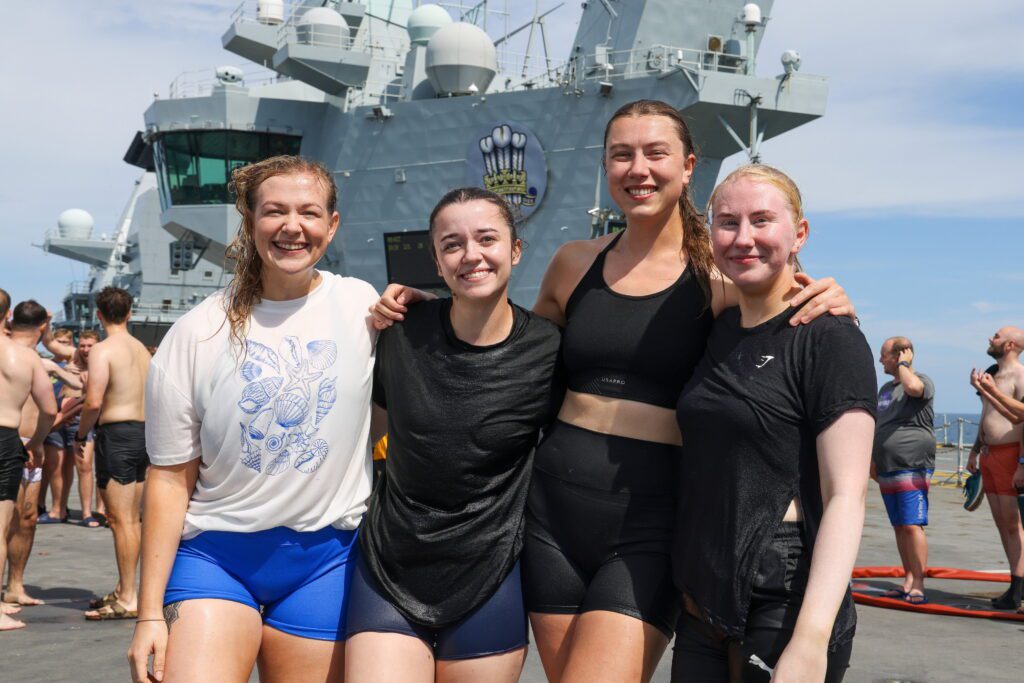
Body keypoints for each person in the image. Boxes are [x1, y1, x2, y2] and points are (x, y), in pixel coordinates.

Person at [371, 99, 855, 681]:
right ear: (605, 167)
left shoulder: (721, 280)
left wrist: (833, 298)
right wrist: (431, 313)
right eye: (621, 155)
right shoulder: (573, 264)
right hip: (550, 515)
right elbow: (509, 338)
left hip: (650, 523)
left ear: (688, 166)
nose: (638, 169)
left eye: (656, 153)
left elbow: (785, 315)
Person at [128, 156, 378, 683]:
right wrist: (149, 613)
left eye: (309, 212)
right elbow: (171, 479)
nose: (292, 226)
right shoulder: (196, 333)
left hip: (327, 560)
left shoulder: (363, 306)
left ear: (331, 226)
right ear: (249, 222)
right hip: (217, 558)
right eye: (274, 212)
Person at [345, 188, 562, 682]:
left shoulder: (550, 351)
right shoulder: (400, 333)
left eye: (487, 238)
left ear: (516, 250)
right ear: (438, 262)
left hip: (490, 571)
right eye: (452, 244)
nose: (472, 255)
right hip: (389, 565)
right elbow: (361, 428)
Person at [673, 165, 876, 682]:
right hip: (703, 597)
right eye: (727, 222)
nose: (743, 238)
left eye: (762, 220)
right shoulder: (718, 328)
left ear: (799, 233)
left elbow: (845, 496)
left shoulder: (828, 337)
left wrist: (810, 640)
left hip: (780, 592)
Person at [75, 288, 151, 621]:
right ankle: (127, 590)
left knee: (122, 522)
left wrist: (80, 434)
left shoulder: (103, 350)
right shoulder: (142, 352)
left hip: (117, 436)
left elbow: (92, 401)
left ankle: (130, 595)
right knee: (134, 521)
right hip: (145, 436)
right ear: (130, 313)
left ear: (99, 315)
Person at [0, 296, 57, 630]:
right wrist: (36, 442)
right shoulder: (24, 357)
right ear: (7, 315)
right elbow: (49, 409)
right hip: (6, 437)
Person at [872, 336, 936, 604]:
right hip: (887, 466)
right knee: (899, 526)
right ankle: (908, 579)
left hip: (912, 464)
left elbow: (912, 387)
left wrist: (905, 364)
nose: (880, 360)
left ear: (898, 355)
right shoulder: (886, 388)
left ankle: (918, 583)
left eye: (885, 354)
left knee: (912, 525)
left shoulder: (921, 379)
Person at [966, 327, 1024, 610]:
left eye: (997, 336)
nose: (991, 338)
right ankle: (1015, 582)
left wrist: (1022, 464)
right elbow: (986, 415)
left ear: (1011, 344)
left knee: (1014, 525)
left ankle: (1018, 587)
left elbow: (1023, 420)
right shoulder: (993, 373)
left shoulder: (1020, 375)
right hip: (990, 454)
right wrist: (976, 450)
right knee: (1003, 524)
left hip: (1010, 454)